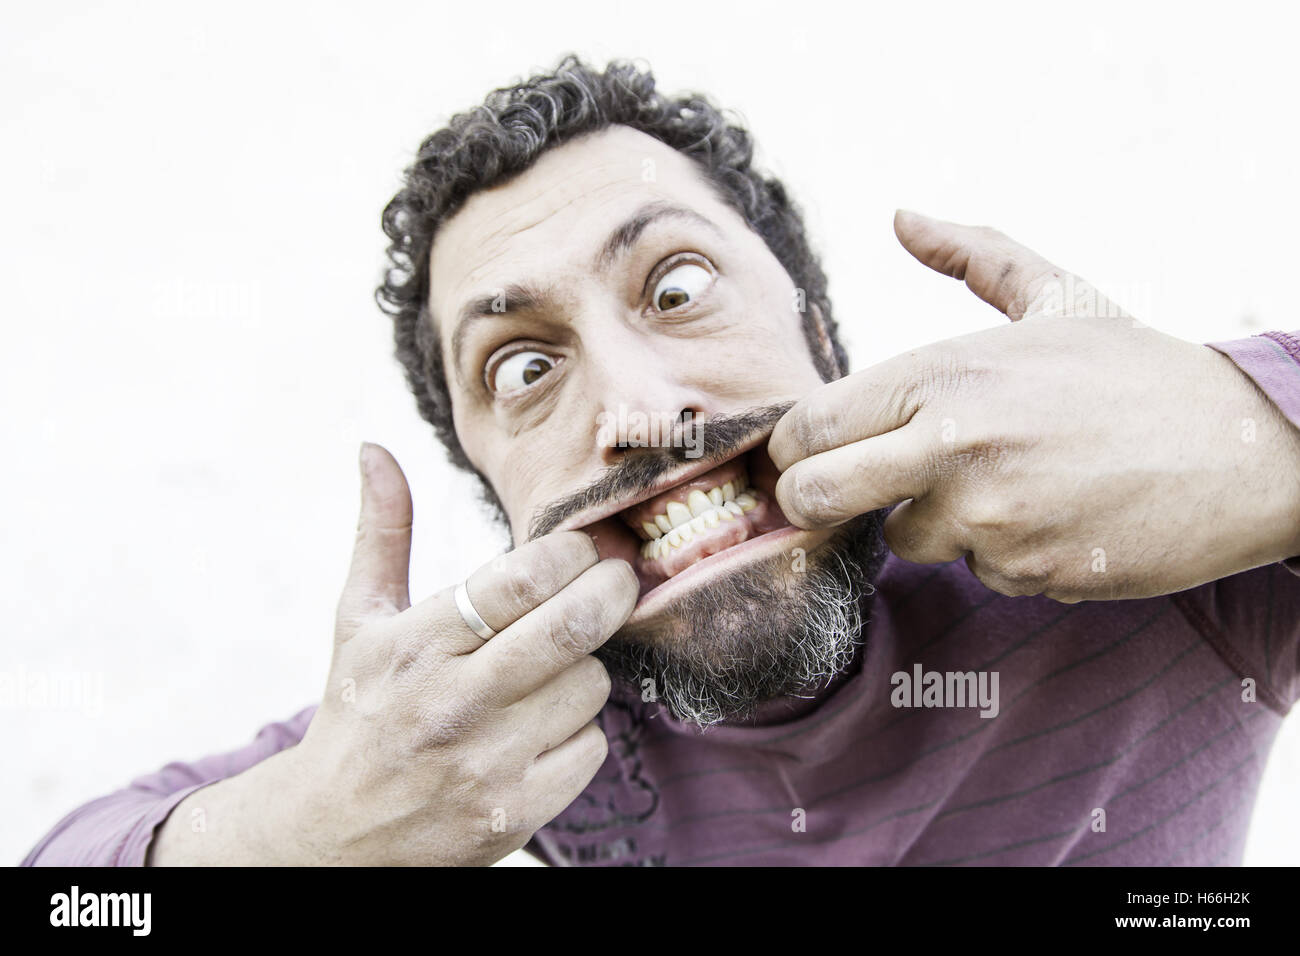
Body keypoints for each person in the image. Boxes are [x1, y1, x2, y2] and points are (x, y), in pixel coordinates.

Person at [23, 55, 1300, 867]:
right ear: (496, 493)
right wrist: (292, 835)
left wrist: (1260, 438)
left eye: (676, 285)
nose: (634, 412)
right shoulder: (488, 742)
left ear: (816, 330)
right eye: (523, 366)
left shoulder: (1156, 560)